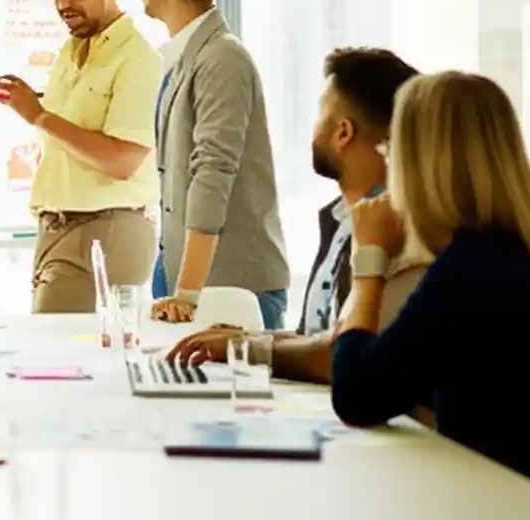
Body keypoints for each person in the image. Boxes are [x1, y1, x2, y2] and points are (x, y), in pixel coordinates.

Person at [333, 71, 530, 520]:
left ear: (421, 166)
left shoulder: (472, 270)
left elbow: (356, 396)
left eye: (393, 154)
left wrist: (367, 262)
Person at [169, 48, 425, 382]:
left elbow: (340, 353)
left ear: (343, 132)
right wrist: (244, 340)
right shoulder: (344, 221)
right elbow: (319, 338)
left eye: (322, 115)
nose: (314, 128)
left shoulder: (391, 232)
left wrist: (247, 348)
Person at [118, 0, 289, 329]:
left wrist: (187, 294)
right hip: (186, 276)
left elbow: (212, 174)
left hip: (226, 288)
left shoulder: (222, 59)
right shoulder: (192, 50)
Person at [0, 0, 162, 312]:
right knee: (54, 359)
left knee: (58, 358)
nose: (64, 4)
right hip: (58, 227)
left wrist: (38, 115)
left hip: (105, 230)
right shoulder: (72, 50)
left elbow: (123, 161)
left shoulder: (138, 59)